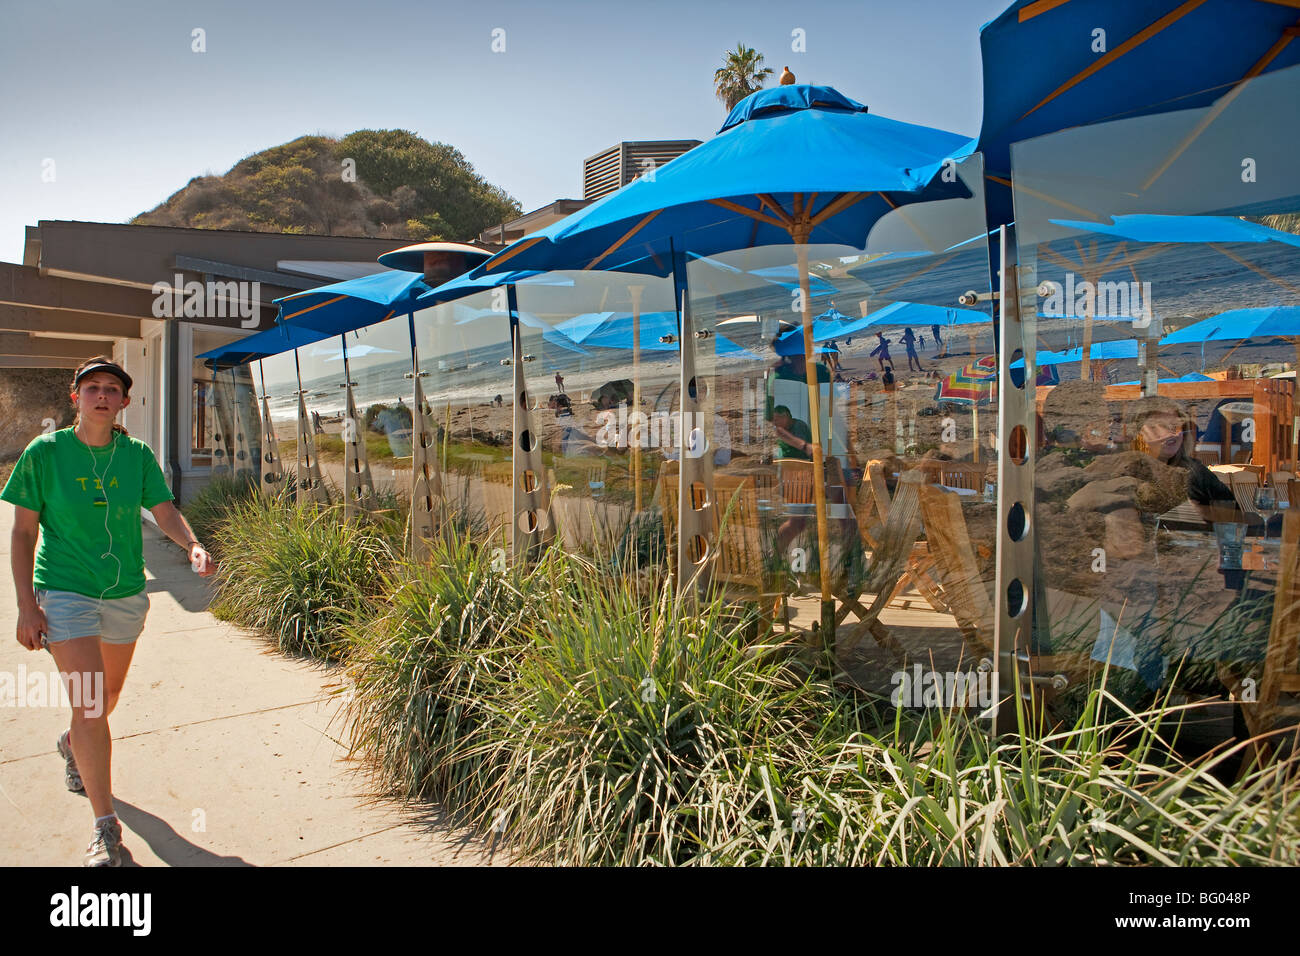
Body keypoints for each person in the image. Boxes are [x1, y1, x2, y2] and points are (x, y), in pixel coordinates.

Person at [3, 357, 216, 866]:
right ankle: (106, 828)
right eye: (92, 387)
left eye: (112, 389)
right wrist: (26, 606)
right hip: (64, 590)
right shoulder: (44, 453)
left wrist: (190, 544)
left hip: (124, 592)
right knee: (94, 704)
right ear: (75, 397)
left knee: (105, 698)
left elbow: (162, 509)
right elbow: (23, 532)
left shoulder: (136, 455)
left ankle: (74, 740)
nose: (102, 395)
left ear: (124, 401)